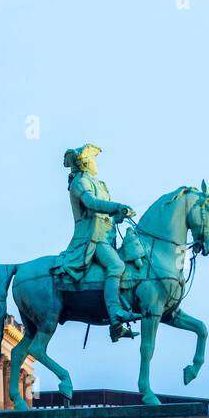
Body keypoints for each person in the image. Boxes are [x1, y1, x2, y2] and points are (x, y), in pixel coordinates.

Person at [51, 143, 140, 338]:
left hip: (107, 237)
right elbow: (91, 204)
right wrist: (117, 205)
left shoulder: (98, 184)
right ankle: (116, 314)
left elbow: (104, 215)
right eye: (92, 159)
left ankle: (117, 327)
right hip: (92, 238)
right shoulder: (79, 183)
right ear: (85, 163)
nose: (95, 163)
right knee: (116, 266)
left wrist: (118, 215)